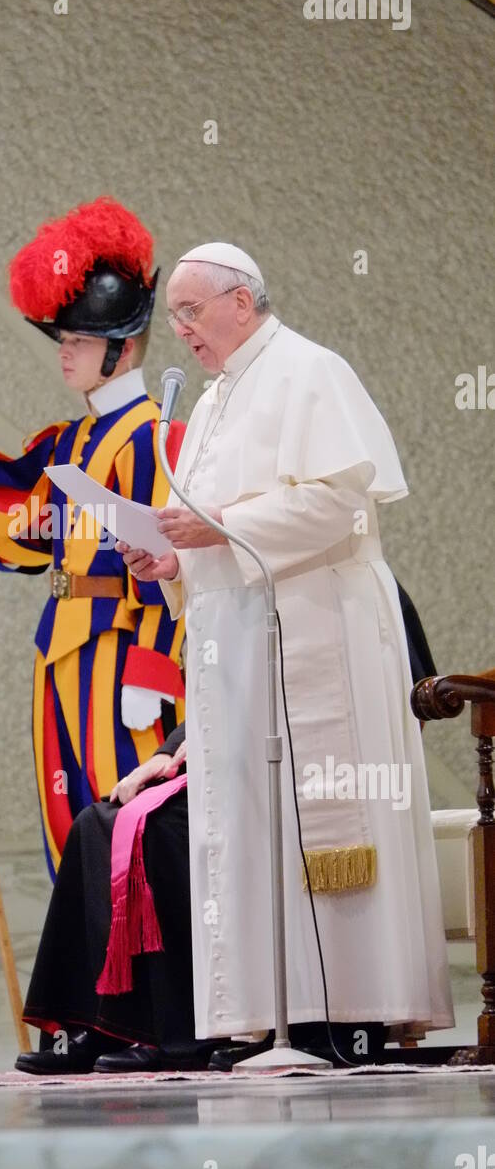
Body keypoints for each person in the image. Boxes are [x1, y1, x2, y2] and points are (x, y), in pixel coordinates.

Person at [118, 242, 453, 1059]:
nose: (182, 330)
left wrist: (219, 527)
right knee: (250, 821)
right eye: (174, 317)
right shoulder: (213, 402)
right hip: (239, 647)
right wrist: (172, 564)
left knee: (326, 816)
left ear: (242, 301)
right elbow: (212, 533)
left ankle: (351, 1010)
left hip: (319, 630)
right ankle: (276, 1011)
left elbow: (340, 503)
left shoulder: (310, 371)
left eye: (192, 311)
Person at [16, 574, 442, 1073]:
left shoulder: (356, 585)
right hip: (227, 769)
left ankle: (178, 1033)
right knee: (98, 824)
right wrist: (168, 752)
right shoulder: (237, 589)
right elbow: (214, 696)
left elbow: (405, 705)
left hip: (311, 779)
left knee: (162, 832)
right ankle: (98, 1025)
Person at [0, 199, 185, 876]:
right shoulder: (69, 442)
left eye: (79, 340)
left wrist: (154, 669)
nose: (65, 352)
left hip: (123, 654)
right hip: (61, 646)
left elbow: (172, 561)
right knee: (70, 825)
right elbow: (20, 527)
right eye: (63, 338)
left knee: (130, 824)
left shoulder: (156, 438)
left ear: (122, 345)